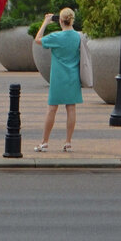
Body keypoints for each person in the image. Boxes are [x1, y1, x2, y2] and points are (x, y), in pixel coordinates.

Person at [33, 8, 82, 153]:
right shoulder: (77, 37)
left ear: (60, 20)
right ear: (72, 19)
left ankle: (44, 142)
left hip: (58, 77)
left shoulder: (56, 37)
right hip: (73, 76)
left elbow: (38, 40)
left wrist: (45, 22)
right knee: (71, 108)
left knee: (52, 109)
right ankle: (68, 142)